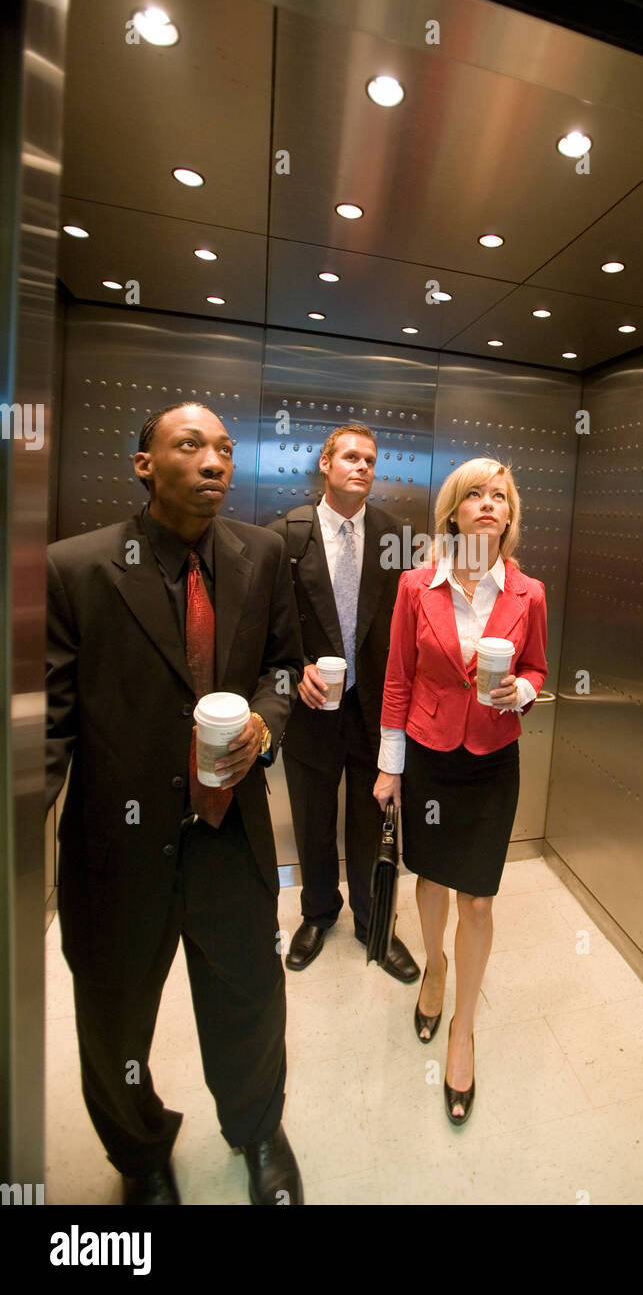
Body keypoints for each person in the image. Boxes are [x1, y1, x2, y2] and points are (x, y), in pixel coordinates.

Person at [45, 402, 306, 1205]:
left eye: (225, 449)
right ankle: (141, 1151)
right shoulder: (76, 569)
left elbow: (286, 668)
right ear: (144, 464)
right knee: (115, 1023)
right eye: (190, 445)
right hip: (118, 849)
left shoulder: (262, 556)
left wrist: (267, 723)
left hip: (231, 834)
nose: (214, 462)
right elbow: (50, 727)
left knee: (250, 1003)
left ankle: (258, 1131)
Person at [373, 458, 547, 1123]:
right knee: (433, 878)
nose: (486, 504)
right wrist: (390, 767)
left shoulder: (528, 592)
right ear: (453, 511)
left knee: (480, 898)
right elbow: (397, 677)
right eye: (473, 493)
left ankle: (463, 1029)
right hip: (429, 755)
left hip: (494, 760)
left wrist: (523, 689)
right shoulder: (417, 585)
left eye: (498, 496)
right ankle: (434, 964)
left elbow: (537, 667)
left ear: (509, 515)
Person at [267, 425, 419, 983]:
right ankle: (317, 913)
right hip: (312, 705)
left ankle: (371, 920)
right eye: (350, 457)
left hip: (376, 705)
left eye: (370, 460)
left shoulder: (394, 535)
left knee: (371, 813)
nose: (362, 467)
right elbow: (269, 626)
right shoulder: (286, 534)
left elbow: (414, 619)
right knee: (310, 813)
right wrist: (296, 669)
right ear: (325, 465)